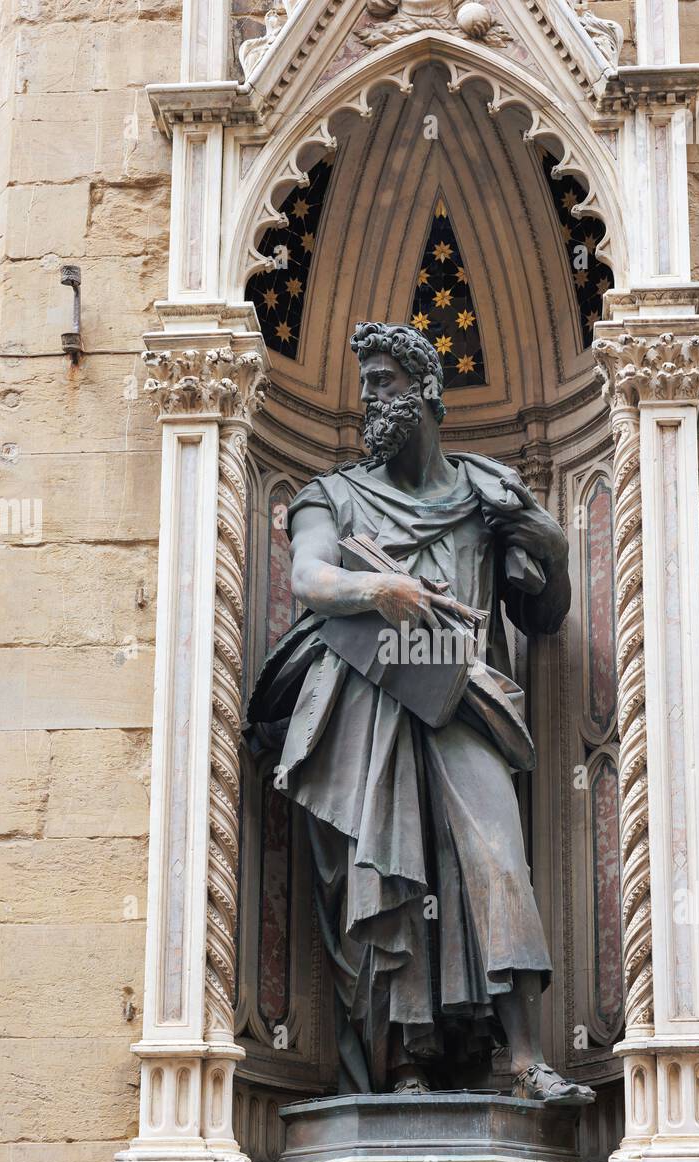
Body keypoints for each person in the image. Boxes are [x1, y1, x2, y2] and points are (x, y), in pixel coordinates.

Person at [247, 321, 594, 1105]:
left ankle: (526, 1058)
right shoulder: (329, 496)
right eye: (364, 383)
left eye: (385, 382)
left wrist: (555, 547)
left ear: (430, 390)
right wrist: (381, 589)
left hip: (463, 701)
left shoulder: (486, 493)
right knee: (384, 880)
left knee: (499, 857)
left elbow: (542, 617)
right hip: (367, 706)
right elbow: (307, 576)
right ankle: (399, 1065)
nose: (370, 397)